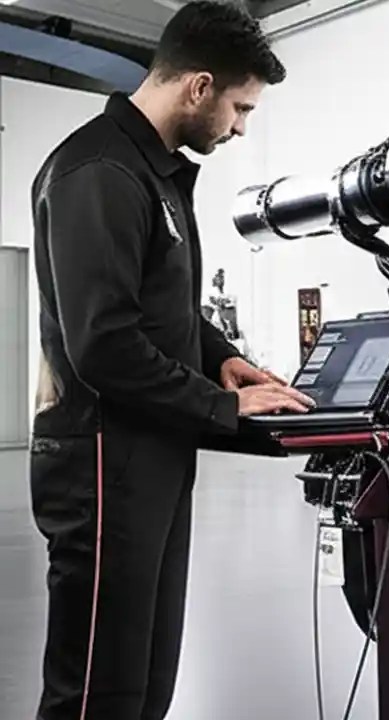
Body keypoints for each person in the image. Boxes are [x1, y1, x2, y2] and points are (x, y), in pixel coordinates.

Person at [28, 3, 314, 718]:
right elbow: (104, 344)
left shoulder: (155, 176)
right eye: (240, 107)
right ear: (199, 87)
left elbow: (162, 309)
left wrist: (223, 361)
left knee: (146, 682)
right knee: (97, 690)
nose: (242, 126)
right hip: (102, 464)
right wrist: (225, 408)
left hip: (152, 456)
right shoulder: (99, 171)